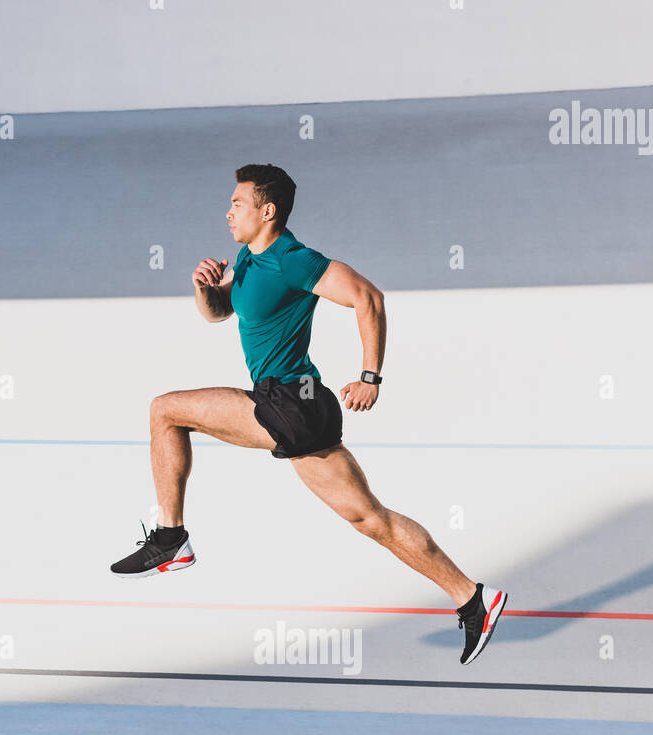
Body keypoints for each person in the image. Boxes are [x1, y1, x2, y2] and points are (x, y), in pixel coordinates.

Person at [111, 163, 507, 665]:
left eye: (238, 203)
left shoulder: (292, 259)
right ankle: (474, 598)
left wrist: (370, 377)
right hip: (296, 405)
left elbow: (368, 298)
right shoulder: (249, 259)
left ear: (267, 210)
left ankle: (171, 538)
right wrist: (204, 288)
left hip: (288, 403)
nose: (228, 211)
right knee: (371, 519)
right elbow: (219, 314)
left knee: (165, 411)